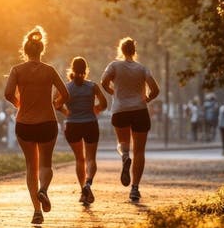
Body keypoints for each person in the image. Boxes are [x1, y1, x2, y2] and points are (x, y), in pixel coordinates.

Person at [4, 26, 69, 225]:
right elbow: (65, 94)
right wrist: (56, 104)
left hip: (24, 123)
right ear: (41, 50)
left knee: (31, 167)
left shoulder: (17, 70)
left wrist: (19, 104)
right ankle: (43, 190)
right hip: (47, 122)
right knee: (46, 163)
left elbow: (7, 93)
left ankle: (37, 211)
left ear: (25, 51)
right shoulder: (49, 70)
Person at [101, 37, 160, 204]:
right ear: (134, 51)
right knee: (140, 151)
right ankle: (135, 188)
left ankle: (125, 156)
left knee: (123, 144)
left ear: (121, 50)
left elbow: (103, 81)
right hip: (140, 111)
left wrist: (113, 93)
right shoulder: (142, 69)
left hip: (120, 110)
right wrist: (146, 100)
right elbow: (155, 90)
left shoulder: (114, 66)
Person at [56, 56, 107, 206]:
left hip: (72, 126)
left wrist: (66, 112)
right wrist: (96, 109)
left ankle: (82, 191)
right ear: (86, 70)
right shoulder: (92, 86)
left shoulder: (66, 88)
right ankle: (88, 184)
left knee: (80, 159)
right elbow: (104, 103)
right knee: (91, 158)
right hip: (90, 124)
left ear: (72, 69)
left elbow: (56, 103)